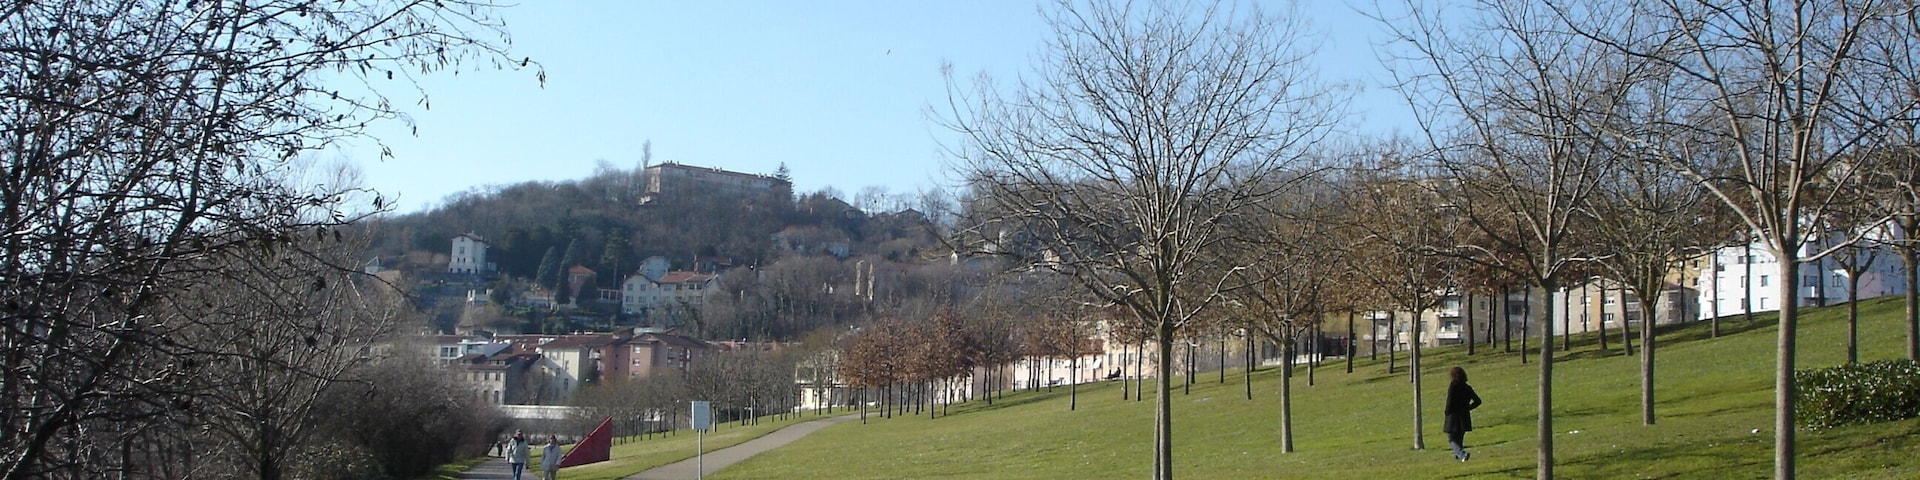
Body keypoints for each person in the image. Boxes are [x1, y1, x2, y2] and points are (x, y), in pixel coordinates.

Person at [1444, 366, 1484, 462]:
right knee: (1459, 438)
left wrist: (1447, 412)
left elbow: (1450, 401)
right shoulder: (1467, 388)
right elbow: (1478, 401)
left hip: (1453, 416)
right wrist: (1468, 408)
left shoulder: (1453, 386)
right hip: (1464, 416)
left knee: (1451, 439)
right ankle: (1458, 457)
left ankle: (1462, 454)